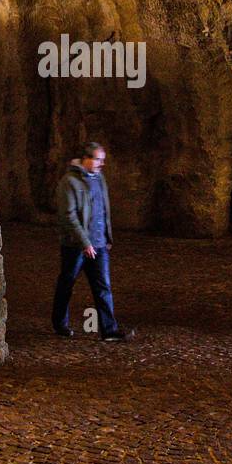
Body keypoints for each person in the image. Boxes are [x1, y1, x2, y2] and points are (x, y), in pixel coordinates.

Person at [52, 141, 133, 341]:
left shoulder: (99, 179)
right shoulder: (69, 182)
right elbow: (69, 216)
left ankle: (109, 330)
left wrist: (106, 236)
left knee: (103, 287)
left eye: (102, 160)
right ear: (86, 159)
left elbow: (103, 209)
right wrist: (85, 243)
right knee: (67, 283)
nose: (101, 164)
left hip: (98, 244)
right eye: (98, 159)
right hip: (75, 246)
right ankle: (60, 323)